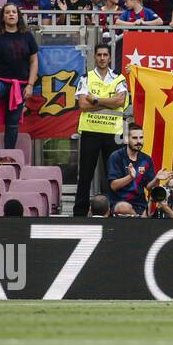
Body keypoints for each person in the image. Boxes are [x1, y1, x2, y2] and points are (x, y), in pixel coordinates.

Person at [72, 44, 127, 217]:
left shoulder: (119, 78)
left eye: (105, 55)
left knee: (113, 175)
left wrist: (95, 99)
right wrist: (107, 101)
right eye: (99, 55)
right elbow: (82, 105)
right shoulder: (86, 77)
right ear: (94, 57)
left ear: (110, 57)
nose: (102, 58)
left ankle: (114, 210)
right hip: (90, 131)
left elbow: (120, 102)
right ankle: (79, 213)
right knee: (85, 175)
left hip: (112, 132)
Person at [0, 4, 38, 148]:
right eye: (7, 12)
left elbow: (34, 61)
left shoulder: (27, 35)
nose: (11, 14)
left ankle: (9, 153)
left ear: (18, 15)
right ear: (2, 16)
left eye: (14, 12)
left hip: (20, 85)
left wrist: (30, 85)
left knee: (12, 123)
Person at [105, 123, 157, 217]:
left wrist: (157, 179)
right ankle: (139, 221)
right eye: (135, 138)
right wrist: (130, 177)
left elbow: (149, 187)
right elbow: (113, 186)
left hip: (140, 203)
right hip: (119, 202)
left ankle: (140, 219)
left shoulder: (146, 159)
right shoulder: (116, 157)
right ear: (126, 139)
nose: (139, 141)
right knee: (123, 207)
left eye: (141, 138)